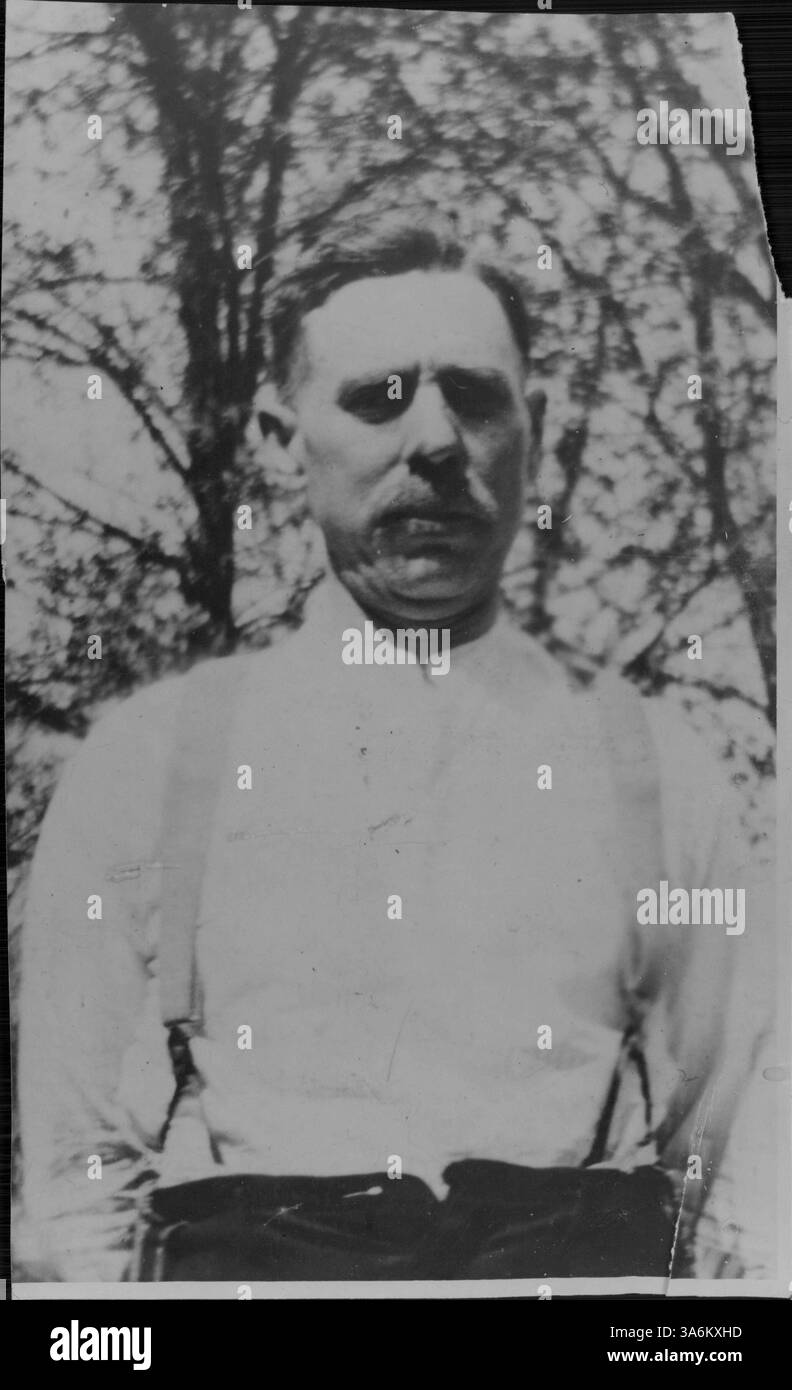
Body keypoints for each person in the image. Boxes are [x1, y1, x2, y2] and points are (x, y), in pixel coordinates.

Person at [16, 217, 774, 1285]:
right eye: (378, 398)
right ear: (287, 445)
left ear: (533, 424)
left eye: (472, 395)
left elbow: (743, 1170)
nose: (434, 440)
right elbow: (77, 1183)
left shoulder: (652, 768)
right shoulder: (150, 766)